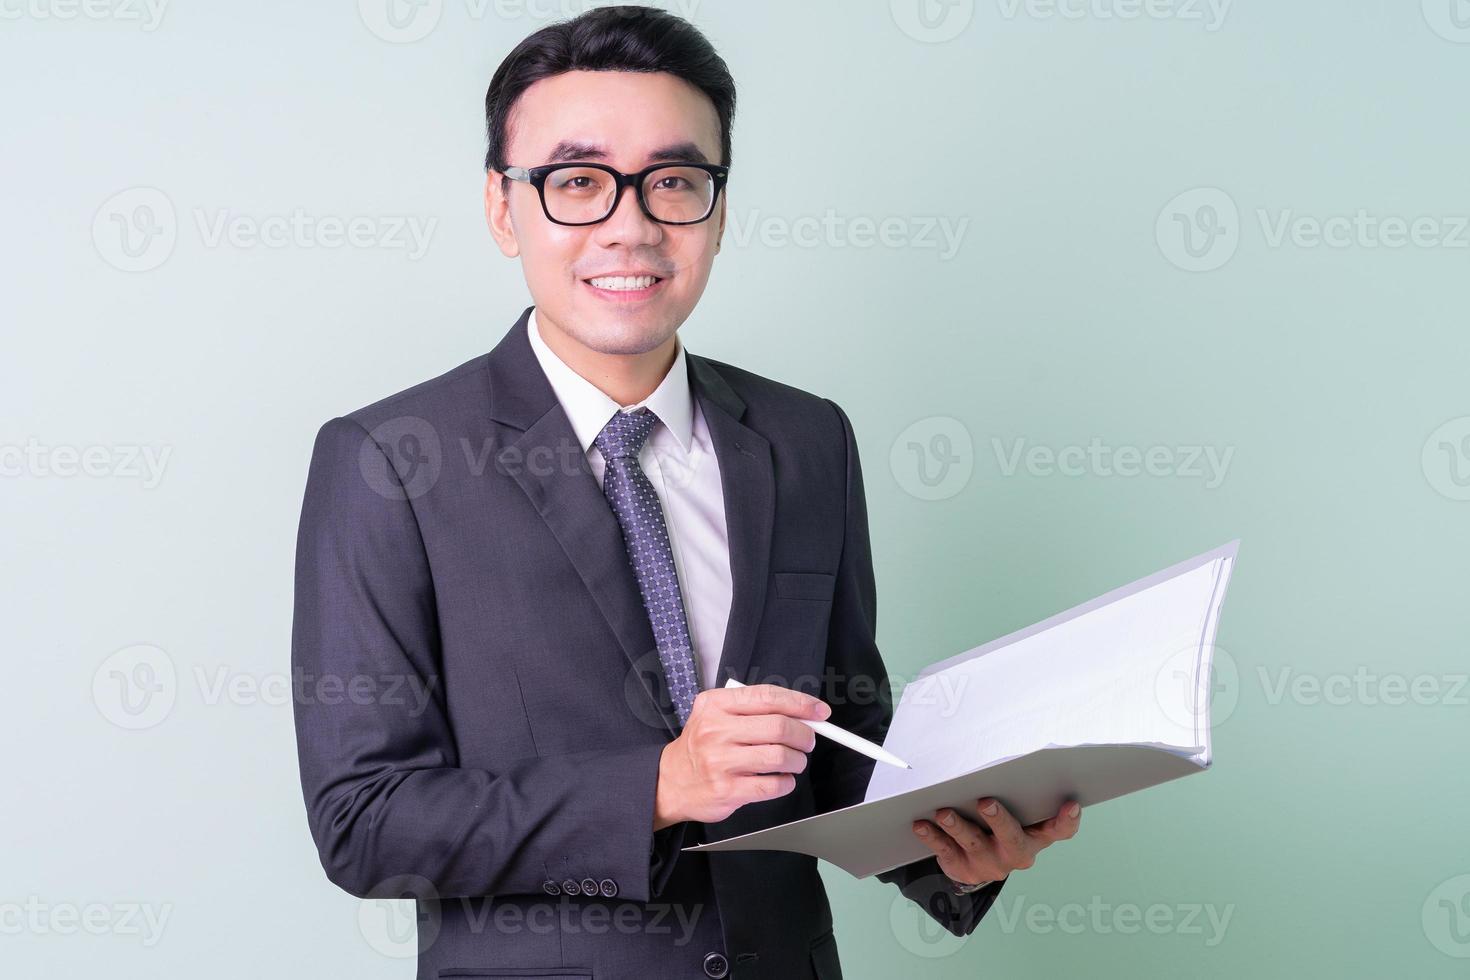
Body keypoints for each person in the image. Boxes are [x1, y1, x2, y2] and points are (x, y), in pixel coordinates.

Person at [290, 7, 1080, 978]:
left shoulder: (805, 439)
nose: (631, 225)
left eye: (674, 182)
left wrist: (953, 840)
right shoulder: (388, 461)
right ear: (504, 207)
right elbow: (364, 821)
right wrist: (659, 784)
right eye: (577, 181)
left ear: (718, 206)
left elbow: (832, 732)